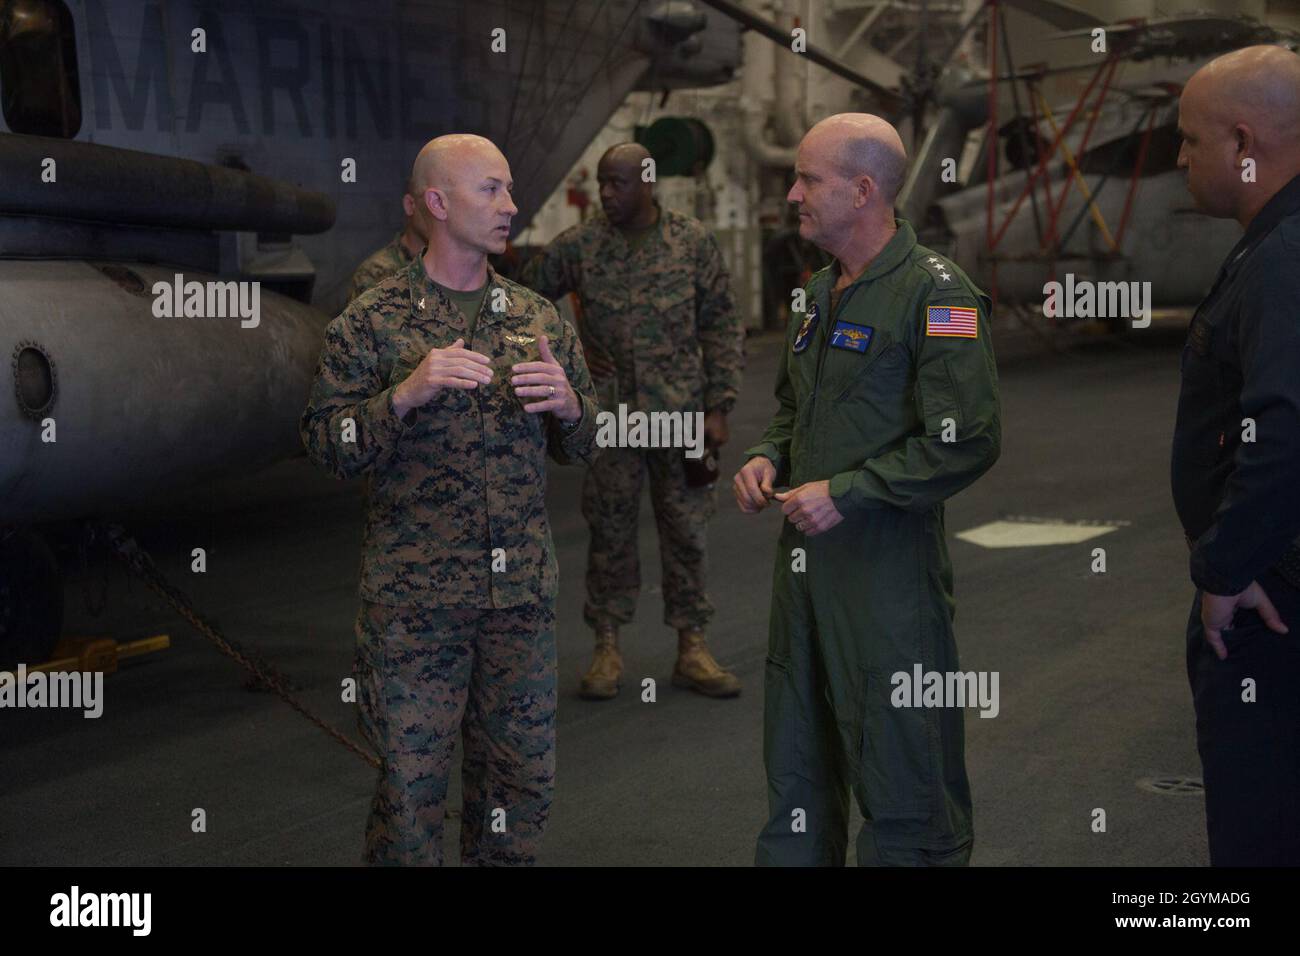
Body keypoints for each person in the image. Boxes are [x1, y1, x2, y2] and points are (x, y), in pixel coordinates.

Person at [300, 134, 599, 866]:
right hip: (415, 606)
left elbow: (586, 446)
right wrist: (400, 397)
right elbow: (323, 444)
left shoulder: (538, 318)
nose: (512, 206)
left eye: (508, 191)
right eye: (491, 190)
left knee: (518, 790)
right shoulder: (374, 321)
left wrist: (571, 408)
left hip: (519, 601)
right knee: (410, 794)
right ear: (437, 203)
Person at [733, 113, 1000, 866]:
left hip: (887, 582)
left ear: (862, 189)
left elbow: (968, 438)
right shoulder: (816, 293)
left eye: (807, 180)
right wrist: (765, 456)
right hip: (805, 573)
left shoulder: (936, 296)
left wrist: (848, 492)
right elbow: (795, 408)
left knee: (904, 783)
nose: (791, 194)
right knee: (797, 772)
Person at [522, 143, 745, 699]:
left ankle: (692, 647)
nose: (606, 195)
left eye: (618, 183)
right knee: (610, 531)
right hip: (612, 419)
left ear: (647, 180)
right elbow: (522, 304)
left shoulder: (691, 242)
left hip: (681, 414)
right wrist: (569, 355)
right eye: (601, 183)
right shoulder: (580, 246)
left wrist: (720, 407)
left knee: (687, 530)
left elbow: (720, 324)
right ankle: (606, 649)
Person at [1172, 44, 1300, 866]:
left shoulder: (1282, 256)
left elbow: (1286, 428)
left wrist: (1226, 568)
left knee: (1261, 832)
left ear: (1243, 144)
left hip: (1271, 603)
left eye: (1189, 139)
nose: (1181, 158)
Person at [346, 176, 433, 301]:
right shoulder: (376, 273)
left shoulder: (454, 267)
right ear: (410, 205)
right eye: (430, 203)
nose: (439, 213)